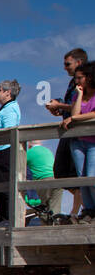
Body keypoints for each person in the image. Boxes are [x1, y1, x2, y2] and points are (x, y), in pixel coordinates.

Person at [47, 48, 86, 218]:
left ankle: (78, 211)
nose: (65, 68)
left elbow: (83, 106)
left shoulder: (84, 81)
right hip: (69, 130)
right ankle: (81, 210)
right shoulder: (73, 82)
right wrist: (60, 110)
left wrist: (60, 106)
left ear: (79, 63)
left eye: (67, 64)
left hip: (79, 131)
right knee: (64, 172)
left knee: (77, 173)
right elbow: (73, 106)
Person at [60, 60, 95, 222]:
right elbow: (75, 110)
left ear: (89, 77)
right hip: (78, 141)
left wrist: (74, 118)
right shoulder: (77, 93)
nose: (77, 81)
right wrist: (80, 95)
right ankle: (89, 210)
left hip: (93, 141)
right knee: (82, 178)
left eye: (79, 78)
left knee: (91, 176)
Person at [0, 79, 22, 225]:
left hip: (3, 152)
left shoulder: (11, 108)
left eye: (0, 90)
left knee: (4, 186)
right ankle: (3, 217)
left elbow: (10, 130)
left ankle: (7, 218)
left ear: (8, 93)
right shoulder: (6, 108)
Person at [23, 141, 63, 222]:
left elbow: (20, 167)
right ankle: (55, 226)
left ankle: (46, 225)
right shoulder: (47, 150)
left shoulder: (28, 153)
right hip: (57, 181)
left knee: (43, 210)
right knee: (55, 212)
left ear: (29, 145)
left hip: (42, 181)